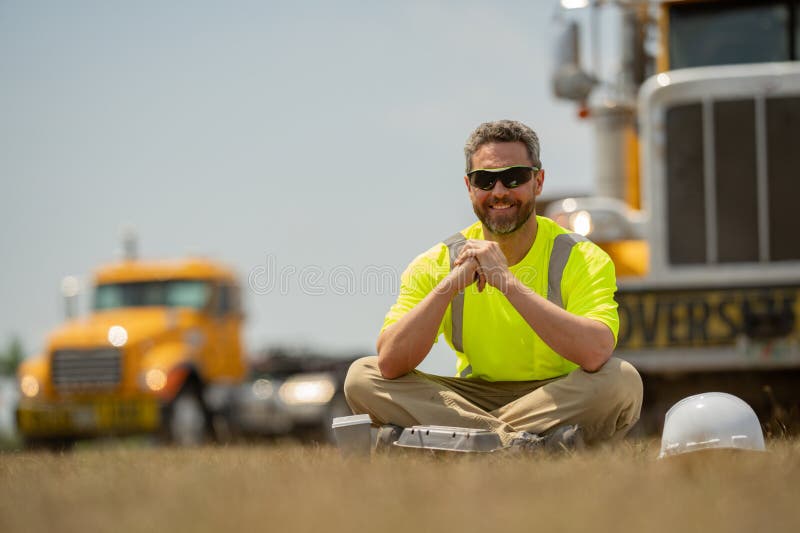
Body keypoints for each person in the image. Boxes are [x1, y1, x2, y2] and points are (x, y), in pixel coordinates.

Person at [344, 119, 642, 448]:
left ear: (538, 181)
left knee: (622, 380)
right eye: (485, 180)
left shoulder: (581, 257)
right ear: (469, 187)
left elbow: (596, 352)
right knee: (361, 377)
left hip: (558, 393)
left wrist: (507, 282)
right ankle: (528, 445)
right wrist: (449, 286)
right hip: (474, 398)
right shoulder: (436, 262)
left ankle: (458, 441)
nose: (499, 192)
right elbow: (389, 363)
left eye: (513, 178)